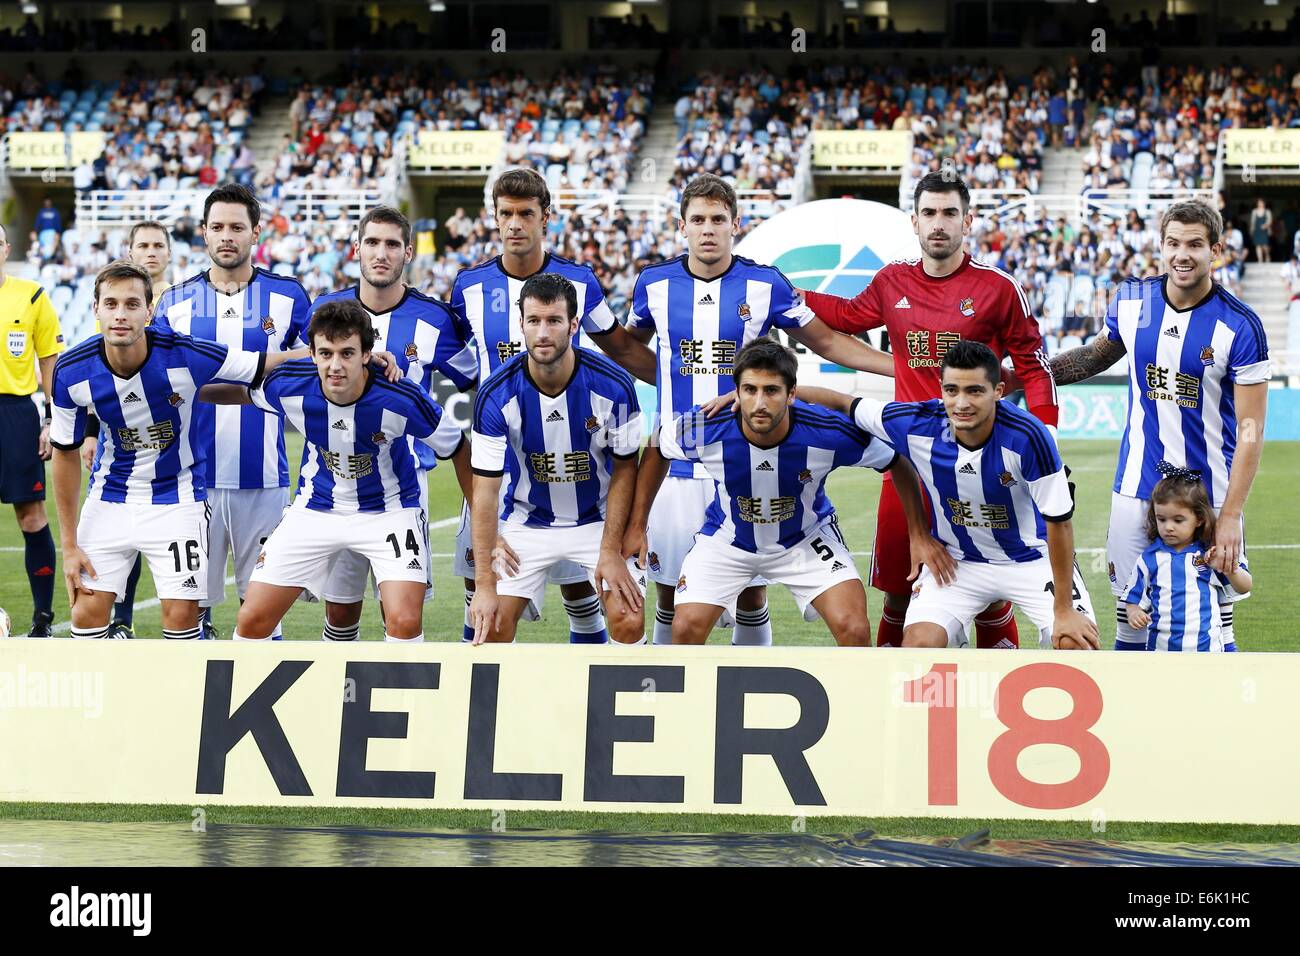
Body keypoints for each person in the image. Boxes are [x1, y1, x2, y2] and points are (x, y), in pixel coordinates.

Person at [622, 173, 894, 648]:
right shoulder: (654, 283)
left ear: (735, 224)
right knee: (670, 598)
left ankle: (746, 700)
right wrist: (669, 381)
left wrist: (903, 368)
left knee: (750, 590)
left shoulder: (765, 283)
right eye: (698, 220)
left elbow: (828, 342)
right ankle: (667, 700)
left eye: (718, 220)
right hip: (678, 467)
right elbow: (629, 350)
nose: (708, 229)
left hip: (742, 455)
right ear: (681, 225)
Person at [796, 171, 1060, 650]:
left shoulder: (998, 288)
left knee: (989, 592)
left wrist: (1048, 438)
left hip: (981, 460)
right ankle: (892, 698)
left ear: (968, 221)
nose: (939, 224)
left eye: (950, 213)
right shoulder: (892, 280)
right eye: (930, 214)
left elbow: (1035, 368)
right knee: (899, 592)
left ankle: (995, 701)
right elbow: (846, 316)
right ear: (914, 222)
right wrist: (787, 294)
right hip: (908, 460)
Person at [1047, 200, 1268, 650]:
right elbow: (1094, 357)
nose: (1182, 255)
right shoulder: (1132, 300)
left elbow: (1250, 429)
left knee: (1215, 621)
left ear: (1216, 251)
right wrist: (1024, 374)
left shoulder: (1240, 326)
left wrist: (1230, 517)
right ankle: (1132, 717)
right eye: (1172, 243)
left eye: (1194, 245)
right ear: (1160, 246)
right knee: (1132, 618)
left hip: (1210, 493)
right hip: (1137, 485)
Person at [451, 167, 656, 645]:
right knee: (479, 602)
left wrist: (677, 385)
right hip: (505, 463)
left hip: (584, 463)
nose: (515, 224)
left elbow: (621, 347)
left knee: (591, 596)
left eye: (526, 214)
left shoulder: (580, 281)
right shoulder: (469, 287)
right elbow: (453, 355)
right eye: (506, 214)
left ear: (547, 218)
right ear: (494, 219)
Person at [48, 261, 295, 640]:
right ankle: (109, 699)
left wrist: (340, 355)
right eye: (110, 304)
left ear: (150, 311)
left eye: (132, 305)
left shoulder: (184, 352)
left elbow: (265, 364)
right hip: (110, 499)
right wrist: (69, 545)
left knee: (181, 616)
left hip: (177, 497)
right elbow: (64, 452)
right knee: (84, 613)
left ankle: (174, 699)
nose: (120, 314)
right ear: (95, 308)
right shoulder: (71, 370)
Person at [201, 298, 470, 644]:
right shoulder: (289, 385)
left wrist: (483, 526)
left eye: (347, 353)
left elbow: (459, 449)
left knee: (403, 621)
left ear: (366, 354)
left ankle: (403, 698)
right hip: (315, 510)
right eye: (325, 353)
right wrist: (183, 390)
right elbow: (241, 393)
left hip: (389, 512)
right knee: (252, 619)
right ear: (311, 354)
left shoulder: (402, 397)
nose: (336, 365)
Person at [803, 341, 1098, 650]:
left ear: (998, 391)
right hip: (958, 563)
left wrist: (1063, 609)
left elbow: (1060, 523)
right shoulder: (917, 423)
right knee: (918, 646)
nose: (961, 403)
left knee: (1076, 644)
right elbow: (840, 402)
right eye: (952, 390)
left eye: (974, 391)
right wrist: (777, 396)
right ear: (941, 389)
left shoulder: (1029, 436)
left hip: (1033, 560)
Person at [644, 340, 939, 645]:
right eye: (750, 390)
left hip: (806, 539)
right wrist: (637, 526)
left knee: (854, 628)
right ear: (736, 391)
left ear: (792, 394)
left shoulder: (828, 432)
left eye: (771, 391)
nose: (759, 403)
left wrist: (918, 534)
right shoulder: (708, 425)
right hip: (727, 541)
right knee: (685, 627)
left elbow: (897, 461)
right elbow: (658, 445)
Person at [152, 184, 312, 640]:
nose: (227, 236)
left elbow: (320, 360)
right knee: (188, 613)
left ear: (255, 233)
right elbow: (160, 381)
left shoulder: (288, 297)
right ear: (203, 233)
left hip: (261, 478)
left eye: (237, 227)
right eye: (217, 227)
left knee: (260, 613)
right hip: (190, 482)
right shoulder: (175, 302)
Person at [311, 205, 477, 642]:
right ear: (356, 249)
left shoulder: (437, 319)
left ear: (407, 253)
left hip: (404, 487)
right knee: (340, 613)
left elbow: (473, 376)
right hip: (335, 484)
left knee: (400, 617)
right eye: (371, 243)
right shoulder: (325, 311)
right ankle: (341, 703)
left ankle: (400, 702)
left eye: (390, 244)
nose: (380, 253)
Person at [468, 273, 646, 646]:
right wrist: (484, 584)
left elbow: (627, 468)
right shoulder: (495, 394)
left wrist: (610, 550)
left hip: (598, 520)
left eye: (553, 320)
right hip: (525, 524)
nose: (543, 333)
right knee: (492, 625)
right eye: (533, 321)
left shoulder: (615, 386)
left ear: (574, 324)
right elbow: (484, 492)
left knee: (628, 619)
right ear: (521, 325)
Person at [82, 220, 176, 639]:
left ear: (169, 254)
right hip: (121, 443)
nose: (150, 252)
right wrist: (87, 434)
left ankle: (193, 618)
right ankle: (122, 619)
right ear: (130, 250)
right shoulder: (114, 306)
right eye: (143, 245)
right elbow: (91, 376)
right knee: (119, 533)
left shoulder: (183, 300)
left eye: (158, 245)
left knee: (171, 534)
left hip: (172, 446)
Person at [0, 222, 63, 637]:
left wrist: (51, 417)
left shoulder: (32, 295)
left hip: (16, 414)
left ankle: (42, 617)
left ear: (6, 248)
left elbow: (49, 361)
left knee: (31, 515)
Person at [1123, 466, 1253, 652]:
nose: (1168, 527)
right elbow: (1132, 599)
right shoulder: (1148, 559)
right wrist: (1134, 611)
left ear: (1199, 519)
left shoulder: (1209, 556)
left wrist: (1229, 568)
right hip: (1161, 652)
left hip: (1207, 652)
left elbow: (1244, 586)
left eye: (1178, 520)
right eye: (1161, 519)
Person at [1248, 198, 1272, 263]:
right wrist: (1251, 230)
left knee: (1265, 246)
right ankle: (1260, 260)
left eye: (1261, 202)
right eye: (1259, 202)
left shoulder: (1267, 211)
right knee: (1258, 245)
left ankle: (1267, 256)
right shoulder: (1254, 211)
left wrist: (1266, 225)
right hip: (1257, 230)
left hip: (1265, 231)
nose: (1260, 204)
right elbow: (1252, 222)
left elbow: (1270, 221)